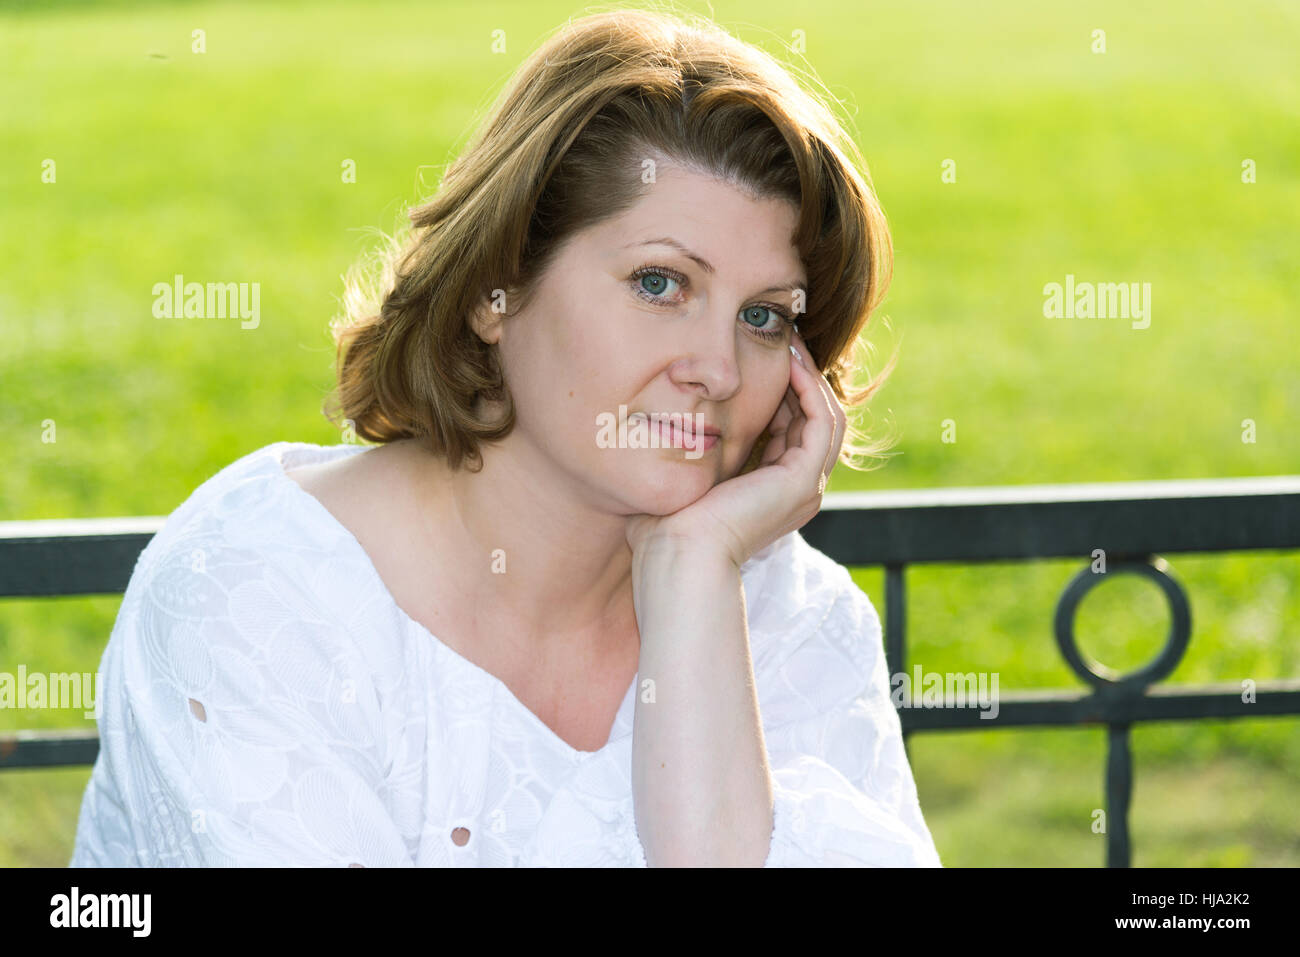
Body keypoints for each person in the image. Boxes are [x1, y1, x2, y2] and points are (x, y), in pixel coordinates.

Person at [70, 7, 940, 867]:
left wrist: (691, 570)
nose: (716, 368)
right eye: (660, 283)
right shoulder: (257, 595)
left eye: (762, 316)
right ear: (497, 289)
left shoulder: (785, 614)